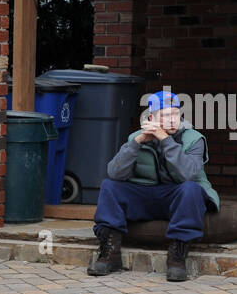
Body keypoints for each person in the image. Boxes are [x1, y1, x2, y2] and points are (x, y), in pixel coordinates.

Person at [86, 89, 219, 282]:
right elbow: (115, 173)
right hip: (145, 195)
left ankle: (177, 258)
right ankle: (110, 254)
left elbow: (188, 175)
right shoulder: (136, 138)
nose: (173, 120)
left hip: (177, 195)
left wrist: (165, 140)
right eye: (166, 116)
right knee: (110, 186)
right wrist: (136, 143)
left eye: (176, 114)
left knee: (191, 189)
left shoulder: (194, 139)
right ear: (151, 118)